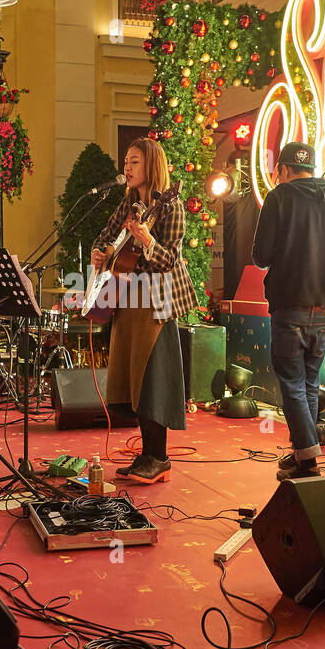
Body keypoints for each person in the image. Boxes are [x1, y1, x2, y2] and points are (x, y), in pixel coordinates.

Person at [89, 138, 196, 484]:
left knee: (153, 378)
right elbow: (105, 237)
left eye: (134, 162)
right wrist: (99, 252)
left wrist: (148, 240)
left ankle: (159, 456)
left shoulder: (171, 207)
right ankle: (147, 454)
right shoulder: (129, 203)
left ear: (152, 165)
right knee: (133, 376)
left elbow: (170, 260)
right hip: (126, 297)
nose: (127, 168)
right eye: (126, 162)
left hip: (157, 302)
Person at [251, 141, 325, 480]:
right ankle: (301, 454)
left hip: (290, 302)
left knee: (293, 383)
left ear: (282, 170)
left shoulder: (278, 198)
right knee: (308, 382)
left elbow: (261, 256)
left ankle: (307, 461)